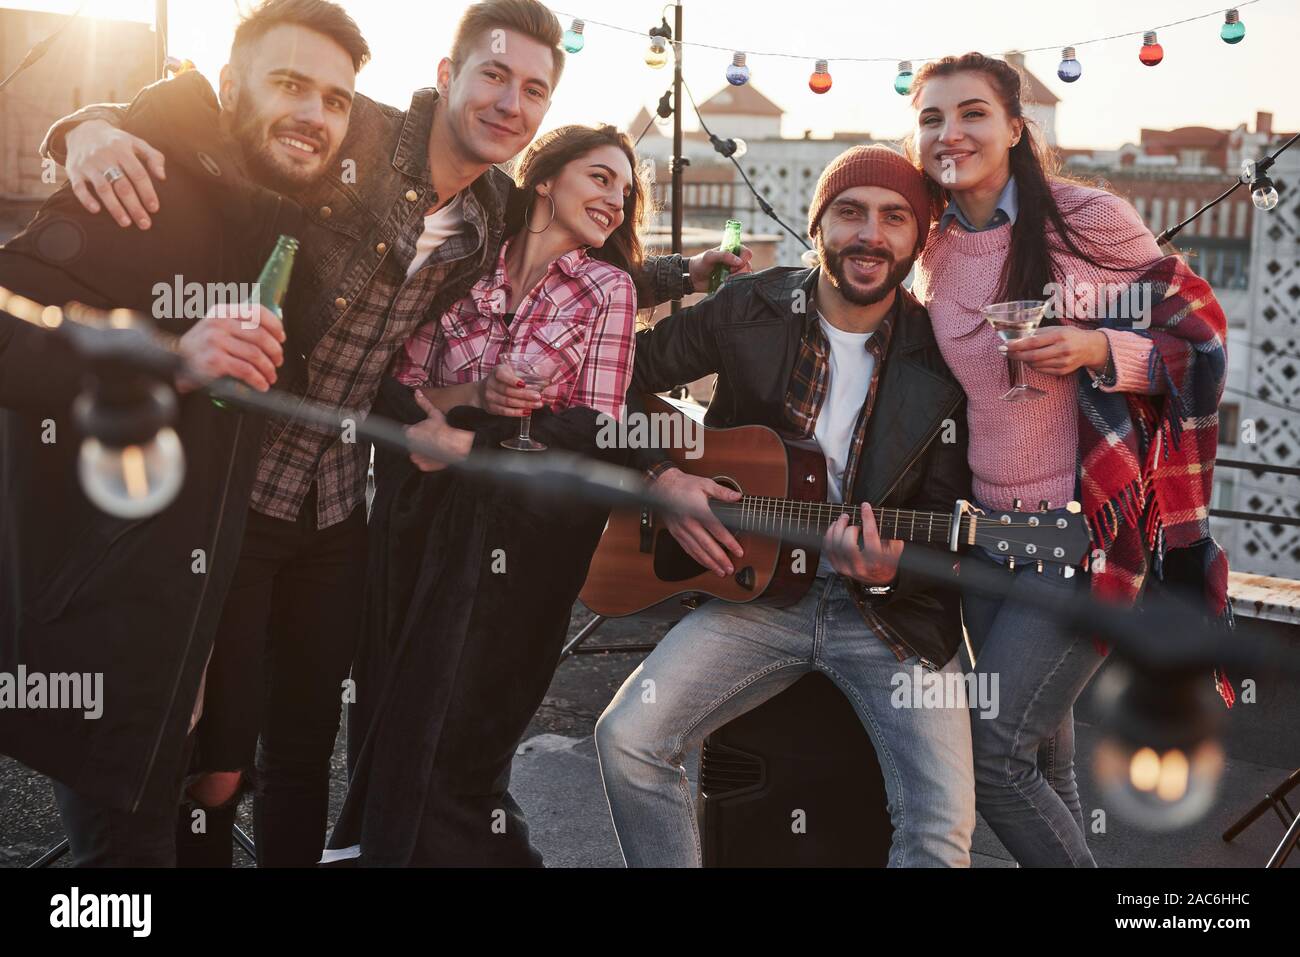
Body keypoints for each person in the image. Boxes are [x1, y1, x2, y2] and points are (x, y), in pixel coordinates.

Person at [42, 0, 747, 867]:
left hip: (337, 507)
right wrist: (91, 125)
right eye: (492, 74)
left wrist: (681, 284)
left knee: (305, 747)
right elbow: (228, 110)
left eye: (533, 89)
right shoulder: (353, 131)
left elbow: (581, 279)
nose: (509, 102)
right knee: (205, 756)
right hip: (237, 487)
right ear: (446, 75)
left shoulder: (491, 212)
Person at [0, 0, 368, 867]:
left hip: (205, 610)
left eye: (336, 99)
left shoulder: (275, 213)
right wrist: (173, 355)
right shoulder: (137, 178)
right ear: (229, 83)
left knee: (206, 806)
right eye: (290, 84)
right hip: (109, 625)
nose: (314, 115)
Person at [594, 146, 978, 868]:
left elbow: (949, 516)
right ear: (819, 224)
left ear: (919, 237)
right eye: (850, 213)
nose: (871, 234)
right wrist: (660, 474)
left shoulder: (944, 354)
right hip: (759, 596)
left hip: (887, 618)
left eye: (895, 217)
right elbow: (611, 371)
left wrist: (892, 571)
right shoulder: (752, 306)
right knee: (626, 738)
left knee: (942, 823)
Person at [906, 52, 1232, 867]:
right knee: (1043, 756)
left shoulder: (1088, 219)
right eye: (933, 118)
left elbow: (1201, 342)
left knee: (993, 752)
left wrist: (1097, 346)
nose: (952, 133)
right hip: (988, 539)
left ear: (1017, 128)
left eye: (973, 113)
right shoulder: (936, 250)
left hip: (1082, 535)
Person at [326, 123, 646, 866]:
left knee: (464, 756)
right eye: (600, 178)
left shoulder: (609, 290)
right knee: (390, 731)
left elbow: (597, 428)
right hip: (417, 520)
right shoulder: (466, 266)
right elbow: (401, 383)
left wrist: (488, 430)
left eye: (626, 192)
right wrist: (473, 394)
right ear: (545, 179)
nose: (616, 201)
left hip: (524, 543)